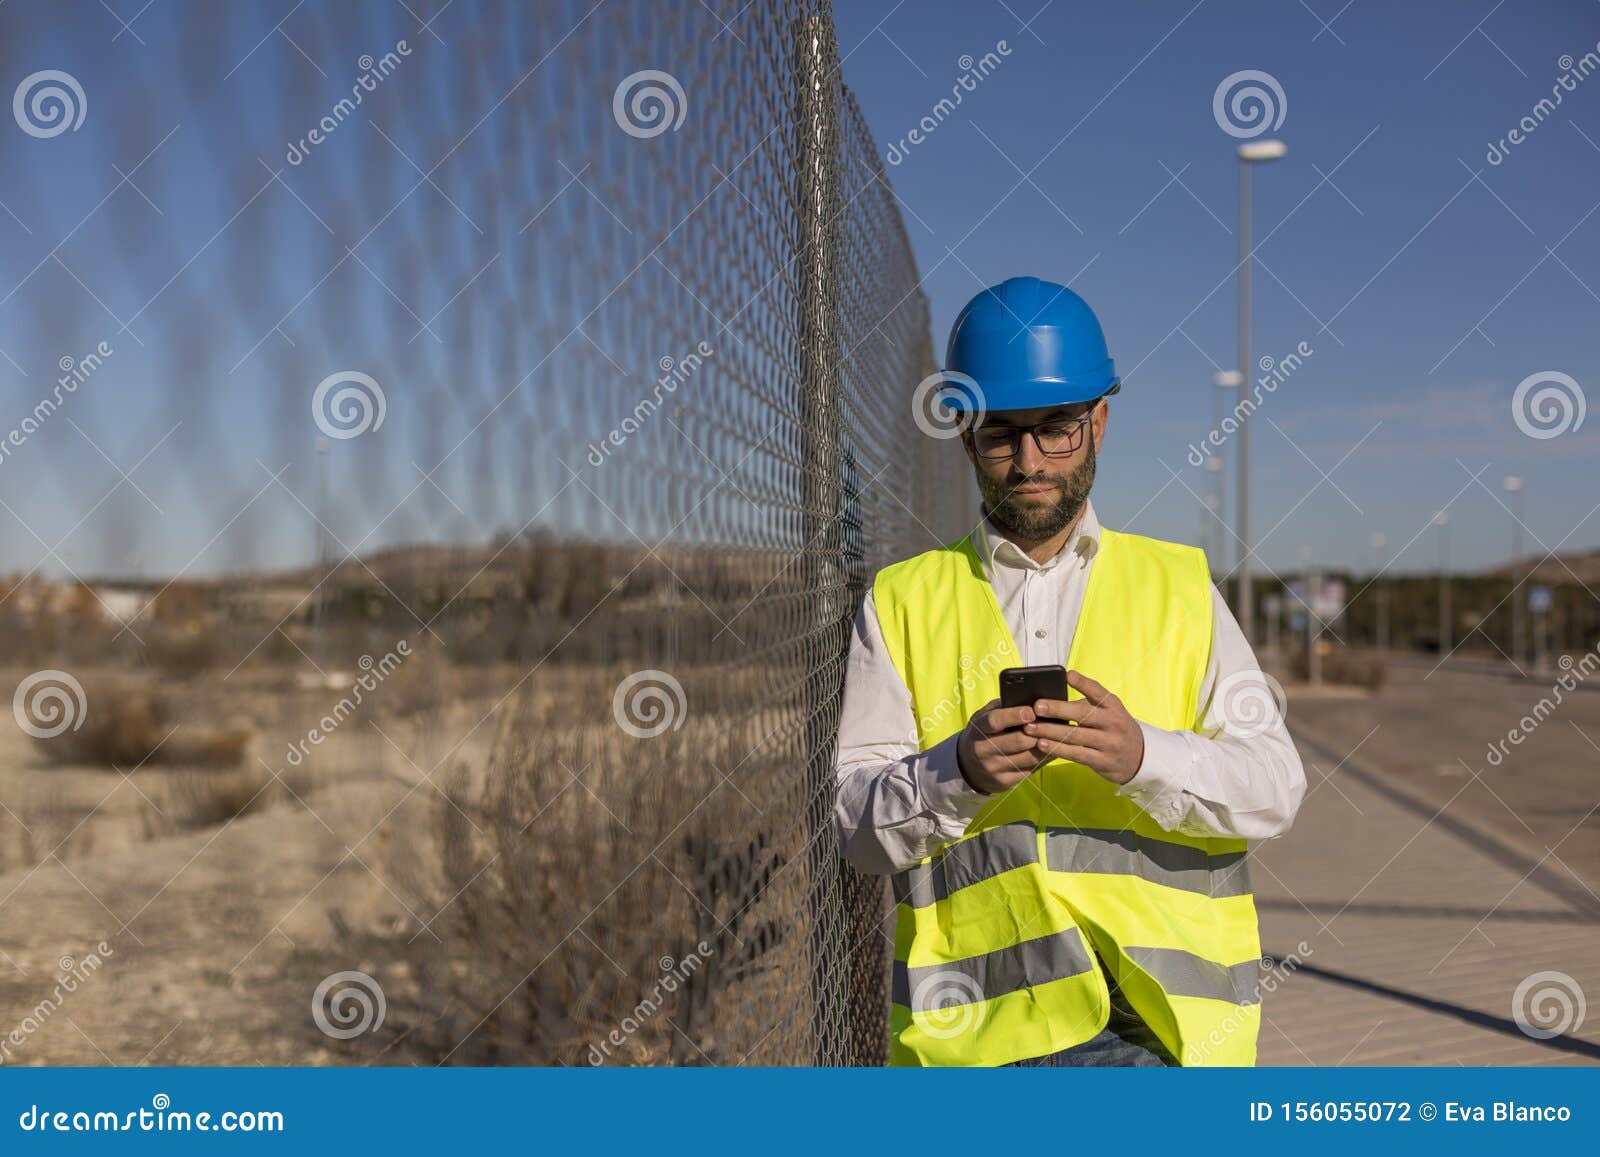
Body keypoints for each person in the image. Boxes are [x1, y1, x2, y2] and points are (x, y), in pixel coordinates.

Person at [832, 276, 1306, 1067]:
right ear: (963, 434)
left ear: (1100, 422)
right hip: (975, 1044)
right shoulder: (902, 600)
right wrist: (957, 772)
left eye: (1055, 429)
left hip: (1154, 1030)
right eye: (1000, 434)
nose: (1027, 462)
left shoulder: (1180, 588)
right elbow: (854, 826)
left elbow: (1276, 787)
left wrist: (1144, 756)